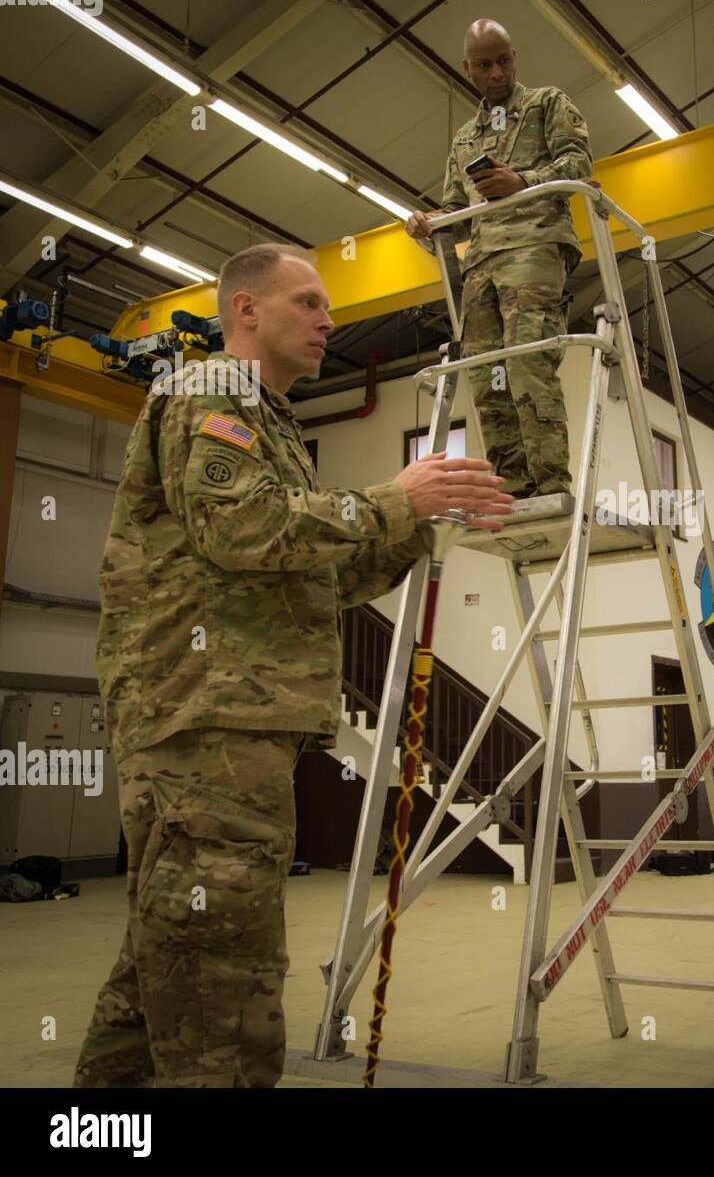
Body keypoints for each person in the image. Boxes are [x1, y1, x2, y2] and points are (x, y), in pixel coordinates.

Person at [73, 242, 514, 1088]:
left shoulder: (271, 424)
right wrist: (394, 500)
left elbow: (316, 570)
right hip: (204, 723)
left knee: (164, 966)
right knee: (224, 982)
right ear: (246, 310)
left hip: (229, 725)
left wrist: (420, 524)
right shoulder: (207, 391)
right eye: (308, 303)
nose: (329, 320)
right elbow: (241, 530)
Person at [406, 18, 592, 499]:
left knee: (528, 360)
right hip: (481, 263)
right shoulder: (465, 137)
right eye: (485, 64)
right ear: (467, 69)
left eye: (504, 60)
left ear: (515, 57)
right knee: (486, 375)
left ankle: (551, 484)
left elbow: (578, 164)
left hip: (535, 245)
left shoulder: (547, 104)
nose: (497, 72)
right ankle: (513, 486)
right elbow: (456, 211)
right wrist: (429, 225)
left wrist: (521, 181)